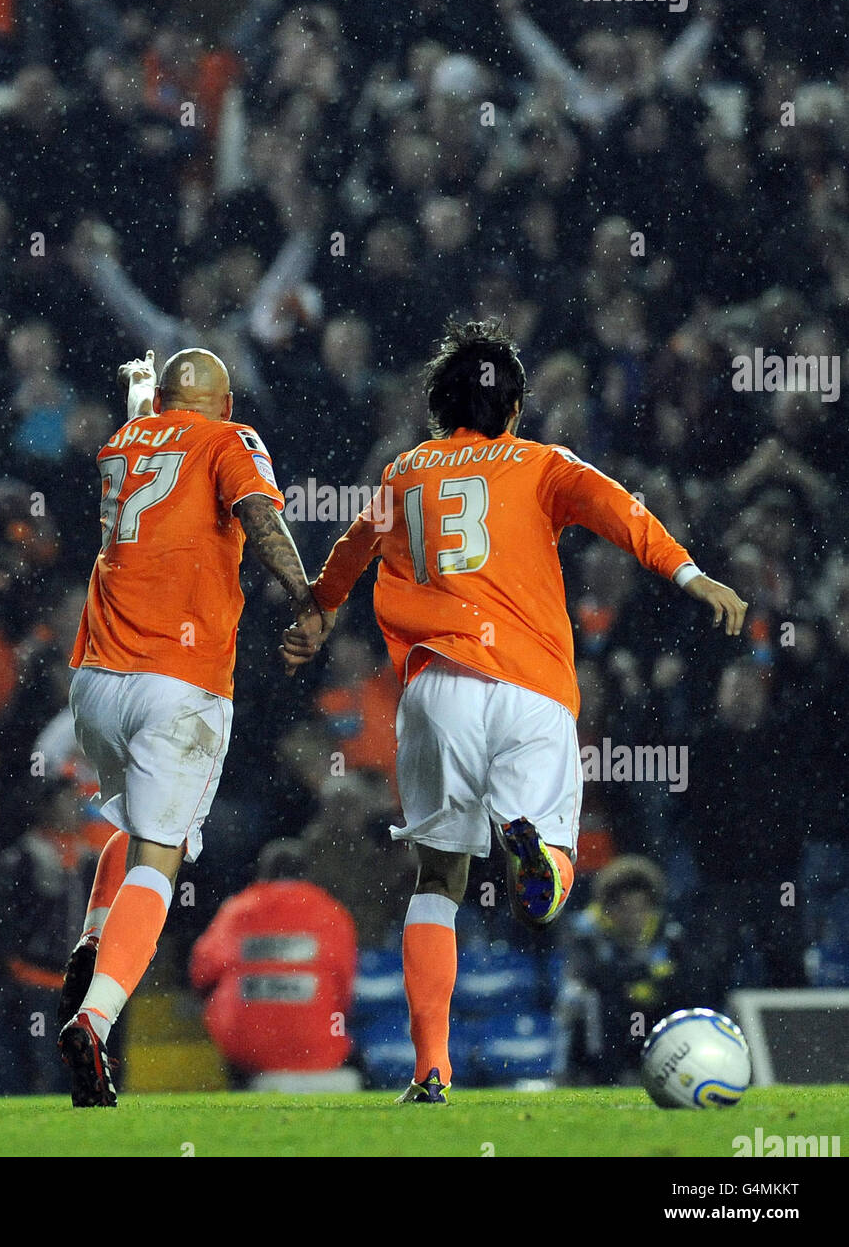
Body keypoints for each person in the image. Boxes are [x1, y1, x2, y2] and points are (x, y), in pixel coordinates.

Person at [283, 318, 747, 1104]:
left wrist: (318, 612)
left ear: (439, 405)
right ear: (518, 406)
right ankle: (539, 858)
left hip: (434, 693)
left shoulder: (403, 474)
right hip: (530, 686)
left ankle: (431, 1066)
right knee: (557, 866)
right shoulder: (541, 464)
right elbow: (624, 516)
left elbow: (351, 550)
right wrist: (692, 576)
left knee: (437, 880)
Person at [57, 348, 326, 1106]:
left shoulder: (121, 443)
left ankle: (89, 941)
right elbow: (259, 515)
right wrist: (305, 597)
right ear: (225, 403)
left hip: (94, 680)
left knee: (128, 824)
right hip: (176, 682)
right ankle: (95, 1019)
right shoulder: (227, 440)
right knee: (160, 855)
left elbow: (153, 428)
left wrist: (141, 393)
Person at [189, 839, 357, 1085]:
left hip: (248, 1048)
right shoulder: (331, 912)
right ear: (306, 872)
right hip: (319, 1045)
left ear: (262, 872)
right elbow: (345, 987)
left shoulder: (238, 910)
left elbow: (201, 973)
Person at [556, 856, 691, 1086]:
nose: (634, 918)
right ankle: (598, 1077)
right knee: (585, 999)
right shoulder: (586, 931)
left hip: (651, 1013)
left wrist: (651, 985)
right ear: (608, 909)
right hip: (605, 1019)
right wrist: (643, 974)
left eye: (641, 909)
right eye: (625, 909)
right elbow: (588, 974)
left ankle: (679, 1069)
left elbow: (685, 977)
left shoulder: (668, 934)